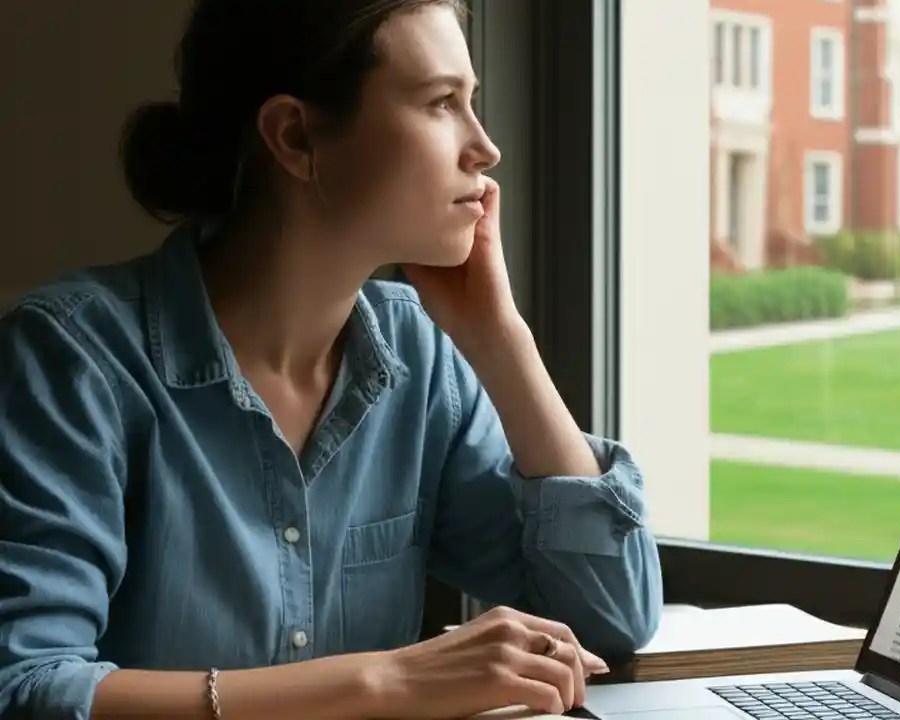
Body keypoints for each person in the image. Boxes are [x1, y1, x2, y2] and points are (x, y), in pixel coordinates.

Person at [0, 1, 663, 718]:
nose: (485, 147)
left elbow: (610, 621)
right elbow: (27, 687)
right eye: (442, 103)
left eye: (472, 102)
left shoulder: (421, 355)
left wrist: (501, 340)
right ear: (295, 135)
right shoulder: (72, 361)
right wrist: (389, 682)